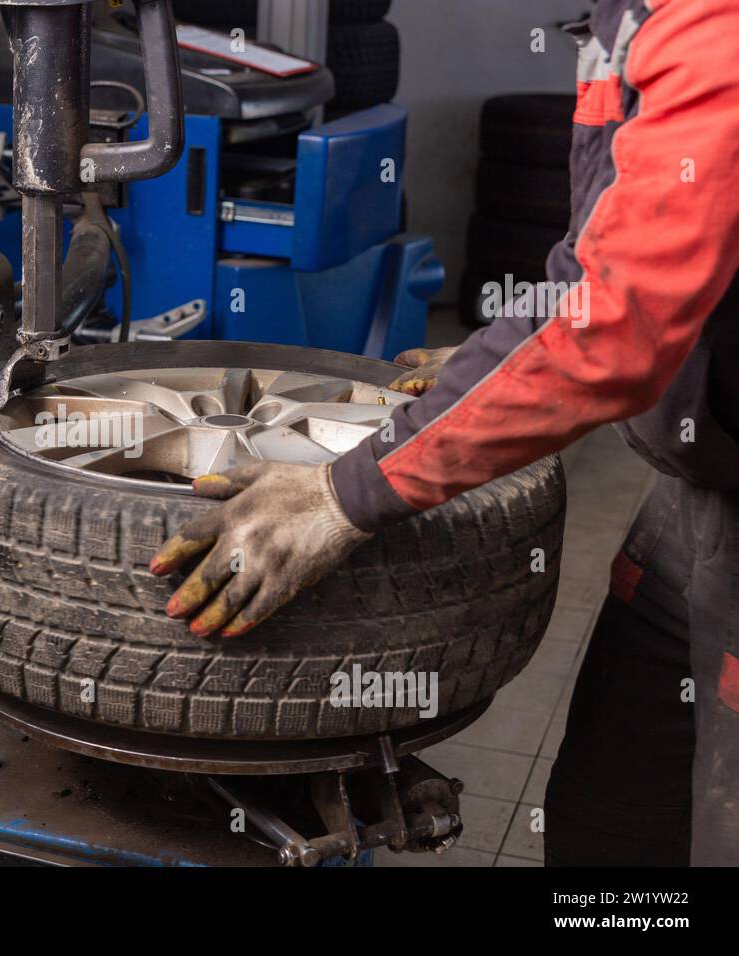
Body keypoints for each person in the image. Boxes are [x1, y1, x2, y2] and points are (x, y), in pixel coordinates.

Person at [150, 0, 739, 866]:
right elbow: (621, 252)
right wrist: (499, 361)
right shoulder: (621, 19)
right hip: (696, 495)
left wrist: (338, 496)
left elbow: (614, 324)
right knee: (612, 824)